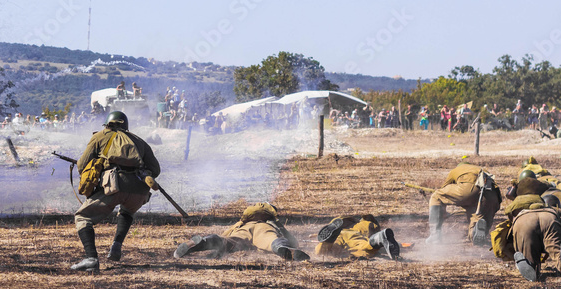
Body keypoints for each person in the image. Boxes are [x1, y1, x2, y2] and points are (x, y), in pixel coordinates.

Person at [70, 111, 160, 272]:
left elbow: (82, 165)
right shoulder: (139, 141)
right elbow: (155, 170)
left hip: (113, 186)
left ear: (107, 124)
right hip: (139, 191)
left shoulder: (100, 136)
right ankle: (116, 246)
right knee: (127, 211)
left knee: (83, 217)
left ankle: (91, 259)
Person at [173, 202, 309, 261]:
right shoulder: (270, 222)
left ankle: (203, 242)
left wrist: (217, 242)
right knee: (272, 240)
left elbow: (225, 235)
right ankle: (282, 249)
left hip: (242, 231)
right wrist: (281, 229)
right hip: (264, 230)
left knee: (225, 241)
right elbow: (293, 241)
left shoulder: (241, 223)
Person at [499, 206, 561, 282]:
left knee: (531, 266)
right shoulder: (552, 208)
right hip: (550, 219)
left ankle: (530, 266)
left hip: (524, 221)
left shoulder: (517, 207)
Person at [427, 162, 501, 246]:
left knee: (437, 196)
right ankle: (474, 233)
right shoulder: (481, 169)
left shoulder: (456, 170)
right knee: (476, 217)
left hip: (469, 189)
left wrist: (441, 212)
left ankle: (435, 235)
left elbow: (444, 190)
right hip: (491, 195)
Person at [315, 214, 400, 260]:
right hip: (354, 233)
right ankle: (378, 238)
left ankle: (327, 241)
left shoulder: (349, 221)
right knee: (362, 246)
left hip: (341, 231)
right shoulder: (365, 225)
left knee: (323, 251)